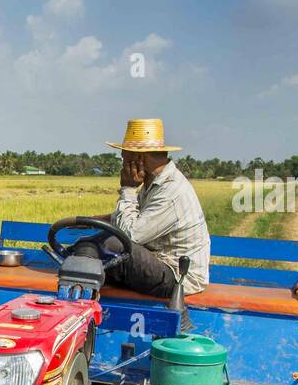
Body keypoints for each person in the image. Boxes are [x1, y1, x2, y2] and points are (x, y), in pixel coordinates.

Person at [84, 118, 209, 299]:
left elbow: (131, 235)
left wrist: (128, 188)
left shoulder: (171, 191)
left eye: (124, 156)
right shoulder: (154, 183)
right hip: (159, 260)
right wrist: (92, 220)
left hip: (178, 277)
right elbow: (137, 218)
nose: (122, 160)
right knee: (91, 245)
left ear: (139, 158)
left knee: (113, 245)